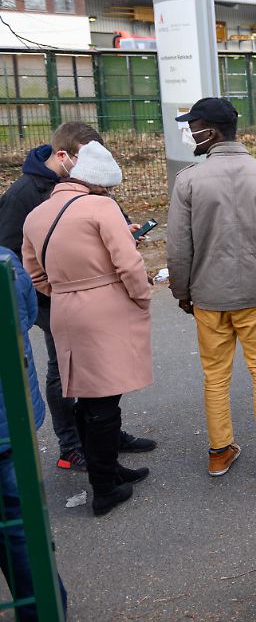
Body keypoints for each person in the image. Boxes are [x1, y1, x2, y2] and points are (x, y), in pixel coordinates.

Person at [0, 123, 156, 472]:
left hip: (73, 297)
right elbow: (11, 256)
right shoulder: (24, 194)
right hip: (53, 303)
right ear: (63, 156)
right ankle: (72, 446)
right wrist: (55, 293)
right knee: (66, 375)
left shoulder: (89, 190)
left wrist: (123, 234)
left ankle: (106, 440)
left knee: (100, 379)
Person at [167, 97, 256, 479]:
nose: (188, 133)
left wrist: (183, 291)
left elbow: (179, 247)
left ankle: (219, 452)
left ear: (209, 132)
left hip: (208, 296)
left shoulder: (188, 181)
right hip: (255, 293)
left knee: (215, 374)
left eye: (191, 126)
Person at [0, 248, 69, 618]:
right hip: (11, 416)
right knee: (20, 523)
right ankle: (44, 607)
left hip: (9, 420)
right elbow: (22, 317)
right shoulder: (4, 264)